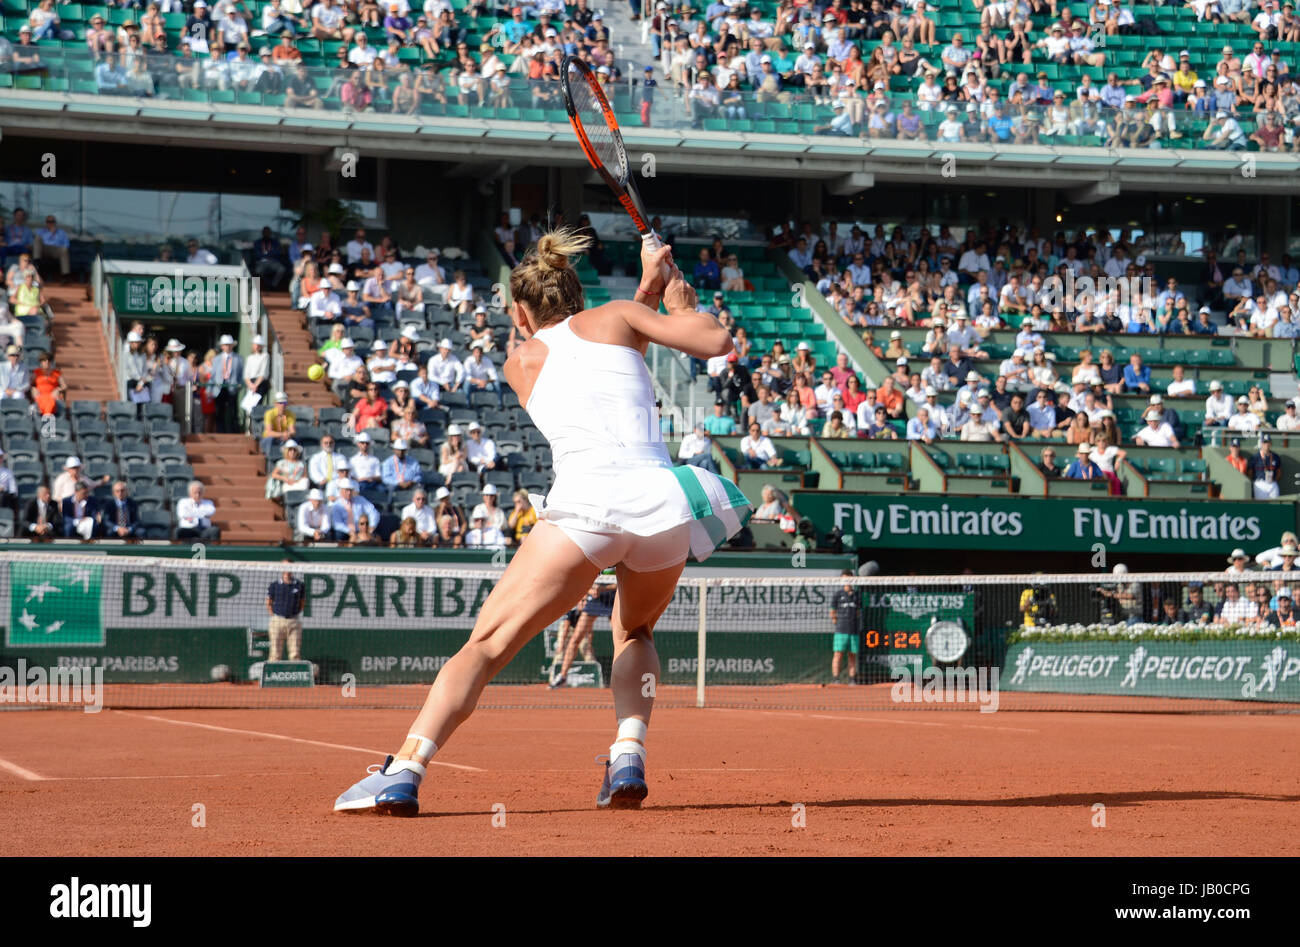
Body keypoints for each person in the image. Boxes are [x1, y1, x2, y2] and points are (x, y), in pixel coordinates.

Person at [334, 230, 750, 815]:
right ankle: (628, 752)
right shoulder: (619, 317)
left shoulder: (519, 363)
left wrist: (653, 294)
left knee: (486, 645)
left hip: (585, 511)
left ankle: (403, 770)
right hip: (664, 505)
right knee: (634, 633)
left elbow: (601, 360)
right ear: (578, 295)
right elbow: (705, 342)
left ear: (522, 312)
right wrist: (670, 298)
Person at [829, 569, 860, 685]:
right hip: (840, 630)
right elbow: (832, 613)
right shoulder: (837, 595)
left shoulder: (858, 595)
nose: (847, 582)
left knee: (852, 656)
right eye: (844, 579)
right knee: (838, 654)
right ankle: (836, 679)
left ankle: (852, 680)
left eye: (849, 579)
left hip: (854, 630)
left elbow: (858, 612)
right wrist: (838, 623)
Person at [1247, 433, 1283, 498]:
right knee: (1261, 504)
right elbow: (1250, 472)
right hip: (1260, 483)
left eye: (1268, 442)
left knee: (1275, 503)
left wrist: (1275, 480)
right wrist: (1254, 481)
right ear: (1261, 444)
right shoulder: (1255, 457)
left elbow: (1279, 471)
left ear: (1271, 444)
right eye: (1265, 442)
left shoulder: (1275, 457)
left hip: (1272, 483)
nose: (1266, 444)